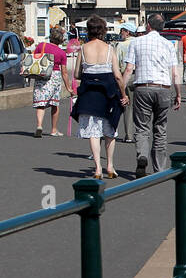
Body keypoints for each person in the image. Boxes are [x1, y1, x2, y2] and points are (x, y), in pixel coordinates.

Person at [122, 14, 182, 175]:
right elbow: (175, 73)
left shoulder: (136, 42)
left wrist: (121, 90)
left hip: (142, 87)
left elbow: (129, 69)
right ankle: (159, 168)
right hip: (163, 88)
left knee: (142, 127)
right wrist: (178, 94)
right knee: (160, 128)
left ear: (148, 25)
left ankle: (142, 155)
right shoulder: (168, 45)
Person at [68, 15, 127, 178]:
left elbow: (78, 73)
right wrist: (123, 94)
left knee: (93, 132)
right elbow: (117, 76)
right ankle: (110, 165)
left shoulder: (83, 49)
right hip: (108, 93)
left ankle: (98, 168)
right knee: (110, 130)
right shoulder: (109, 49)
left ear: (88, 30)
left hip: (89, 94)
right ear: (103, 31)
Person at [27, 27, 70, 138]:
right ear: (60, 40)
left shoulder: (42, 46)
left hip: (42, 74)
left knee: (41, 103)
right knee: (54, 104)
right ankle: (54, 129)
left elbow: (34, 57)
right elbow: (64, 72)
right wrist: (68, 87)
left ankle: (39, 125)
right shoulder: (61, 53)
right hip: (54, 76)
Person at [114, 23, 137, 141]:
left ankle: (129, 135)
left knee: (127, 106)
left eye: (122, 31)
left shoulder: (121, 45)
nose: (121, 33)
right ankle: (141, 133)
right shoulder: (139, 42)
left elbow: (116, 64)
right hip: (140, 75)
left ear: (127, 32)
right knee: (141, 106)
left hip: (127, 76)